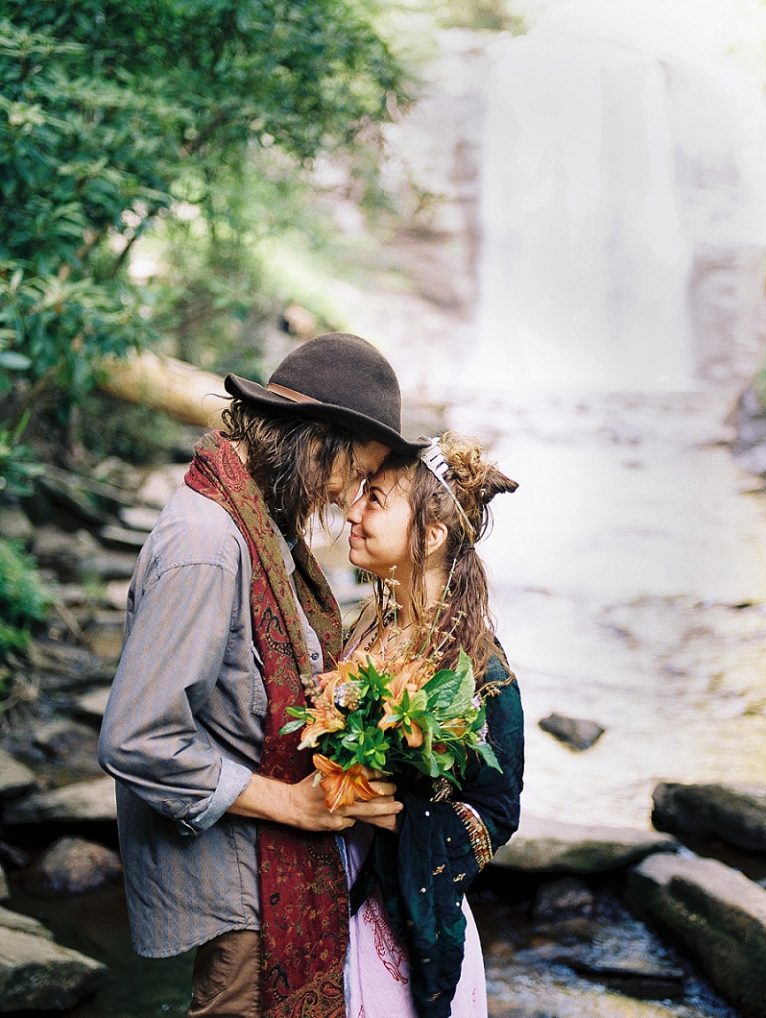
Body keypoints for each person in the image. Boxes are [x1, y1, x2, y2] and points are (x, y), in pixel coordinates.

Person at [98, 332, 428, 1018]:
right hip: (238, 889)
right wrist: (295, 804)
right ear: (316, 443)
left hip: (262, 876)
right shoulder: (208, 546)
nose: (347, 497)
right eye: (353, 471)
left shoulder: (260, 524)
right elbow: (136, 739)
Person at [341, 432, 525, 1018]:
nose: (353, 512)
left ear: (433, 534)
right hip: (334, 897)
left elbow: (496, 813)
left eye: (375, 500)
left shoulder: (483, 674)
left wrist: (399, 814)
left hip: (405, 920)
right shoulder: (366, 629)